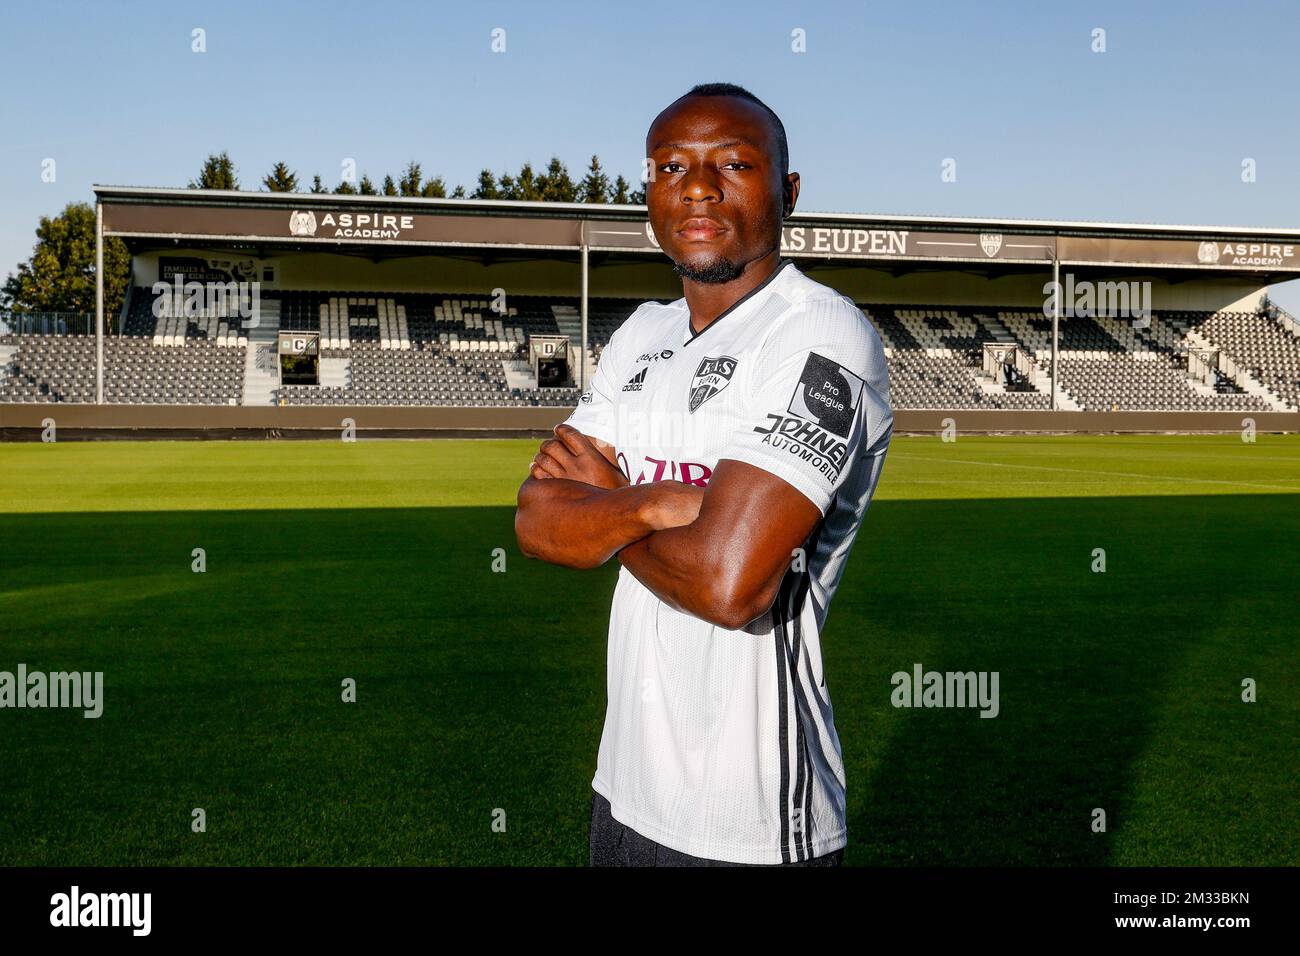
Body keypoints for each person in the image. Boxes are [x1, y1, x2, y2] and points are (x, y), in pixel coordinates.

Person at [515, 82, 892, 866]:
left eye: (734, 164)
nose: (697, 186)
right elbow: (536, 519)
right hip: (622, 789)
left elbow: (732, 585)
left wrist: (608, 510)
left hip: (750, 819)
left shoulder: (820, 336)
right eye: (670, 167)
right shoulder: (642, 334)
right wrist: (656, 504)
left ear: (787, 191)